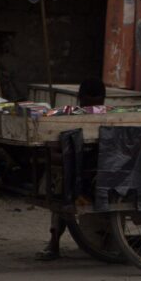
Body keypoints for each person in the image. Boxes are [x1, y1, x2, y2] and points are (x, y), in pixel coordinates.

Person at [37, 79, 106, 261]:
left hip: (96, 174)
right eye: (87, 104)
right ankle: (54, 240)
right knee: (60, 185)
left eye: (97, 104)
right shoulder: (66, 119)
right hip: (73, 172)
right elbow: (53, 153)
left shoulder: (107, 118)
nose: (91, 109)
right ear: (79, 99)